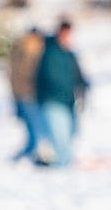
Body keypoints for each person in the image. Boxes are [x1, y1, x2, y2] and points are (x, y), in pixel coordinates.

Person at [32, 19, 88, 167]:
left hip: (68, 102)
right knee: (60, 142)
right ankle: (58, 172)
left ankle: (62, 170)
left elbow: (78, 76)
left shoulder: (69, 54)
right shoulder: (49, 52)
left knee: (69, 139)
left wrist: (83, 88)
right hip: (52, 101)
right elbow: (50, 78)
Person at [7, 26, 45, 161]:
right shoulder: (32, 49)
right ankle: (27, 157)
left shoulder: (18, 48)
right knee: (37, 130)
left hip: (20, 95)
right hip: (30, 94)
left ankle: (26, 157)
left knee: (32, 130)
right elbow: (32, 73)